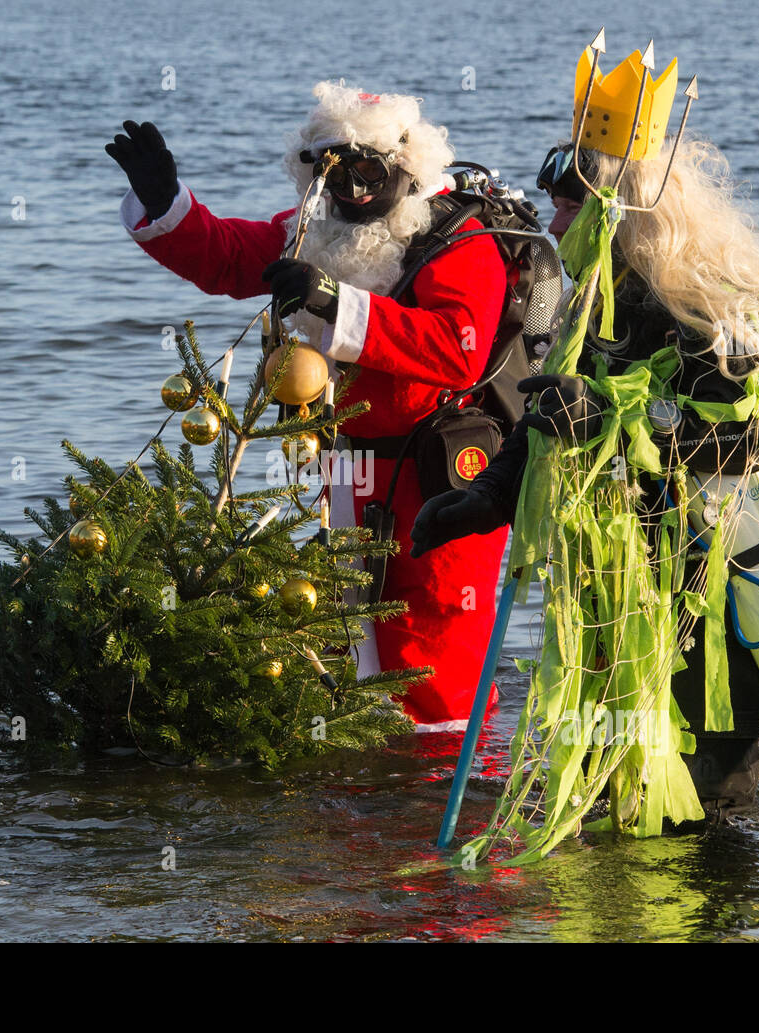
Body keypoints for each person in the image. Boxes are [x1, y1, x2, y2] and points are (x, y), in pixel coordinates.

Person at [410, 114, 759, 820]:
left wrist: (610, 421)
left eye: (567, 207)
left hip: (712, 593)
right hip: (610, 589)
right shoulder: (592, 305)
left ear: (620, 212)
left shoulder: (726, 308)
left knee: (705, 806)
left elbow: (757, 440)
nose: (552, 225)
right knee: (611, 786)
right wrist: (488, 495)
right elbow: (548, 414)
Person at [106, 83, 512, 730]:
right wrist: (165, 204)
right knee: (350, 621)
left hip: (440, 466)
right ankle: (363, 768)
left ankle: (442, 780)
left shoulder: (459, 241)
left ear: (407, 167)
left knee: (438, 633)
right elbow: (228, 255)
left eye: (367, 170)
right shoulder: (315, 235)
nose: (351, 189)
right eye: (331, 169)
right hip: (348, 464)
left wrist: (330, 302)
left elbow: (453, 349)